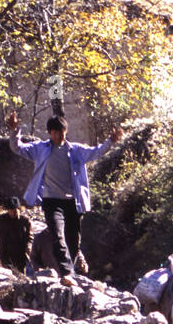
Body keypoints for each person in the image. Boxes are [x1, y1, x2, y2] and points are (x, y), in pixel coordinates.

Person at [7, 111, 121, 284]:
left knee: (73, 240)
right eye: (55, 132)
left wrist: (110, 142)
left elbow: (96, 152)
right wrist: (15, 130)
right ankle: (67, 273)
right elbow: (18, 148)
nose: (59, 136)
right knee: (57, 234)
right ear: (49, 133)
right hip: (51, 201)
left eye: (62, 132)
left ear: (66, 132)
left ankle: (69, 270)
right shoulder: (40, 149)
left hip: (73, 202)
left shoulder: (75, 150)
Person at [0, 196, 32, 273]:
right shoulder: (1, 219)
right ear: (8, 210)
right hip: (5, 253)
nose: (13, 213)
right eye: (11, 210)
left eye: (15, 210)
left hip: (20, 254)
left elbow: (30, 236)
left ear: (19, 209)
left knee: (20, 276)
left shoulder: (25, 221)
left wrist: (28, 245)